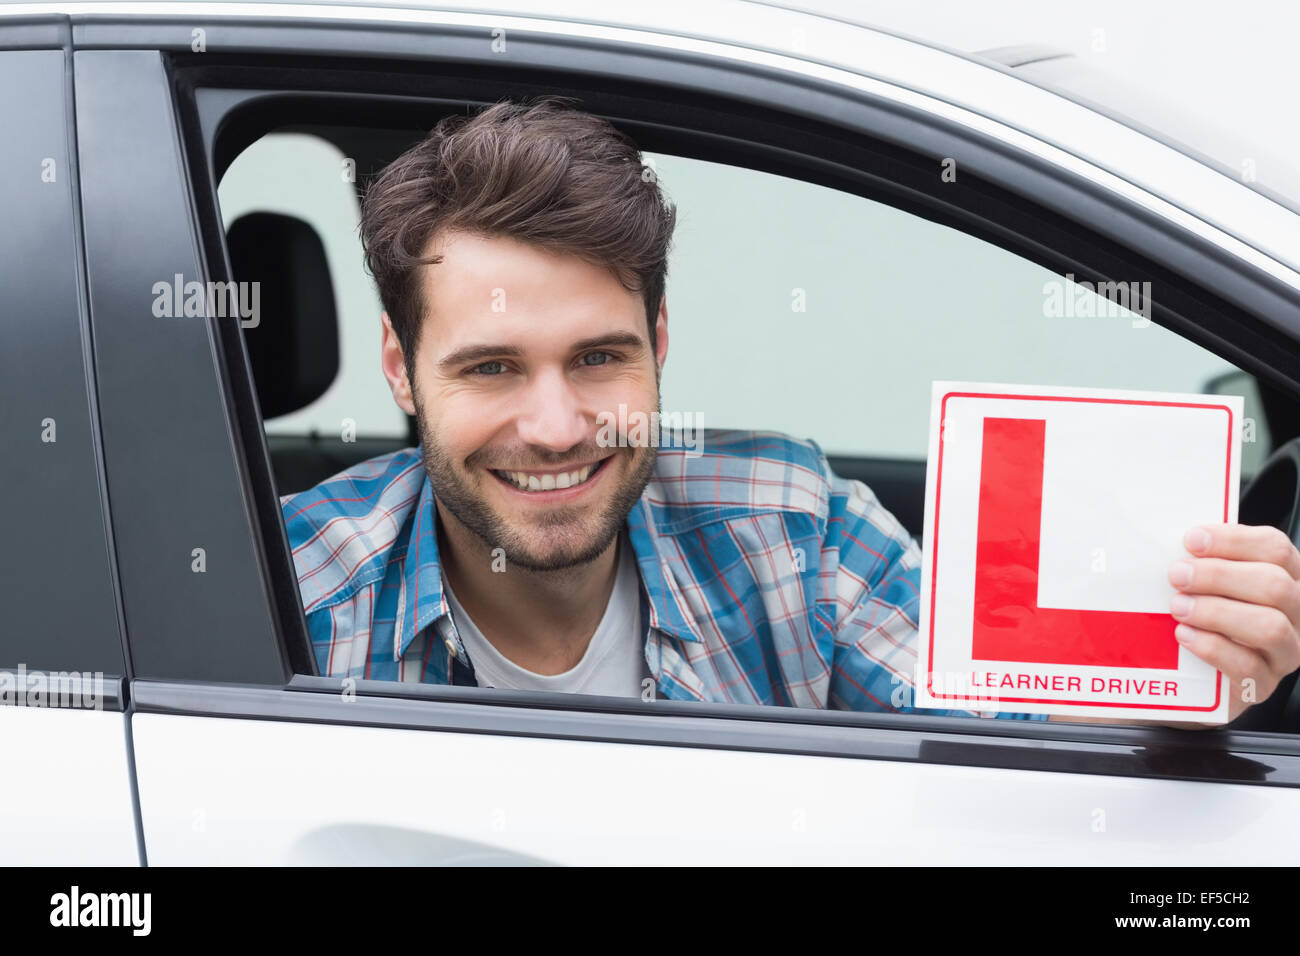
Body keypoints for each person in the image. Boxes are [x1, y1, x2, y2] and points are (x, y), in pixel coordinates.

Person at [282, 97, 1300, 725]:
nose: (555, 424)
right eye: (493, 367)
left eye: (598, 356)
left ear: (661, 343)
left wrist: (1213, 679)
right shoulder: (289, 603)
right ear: (401, 370)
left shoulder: (792, 523)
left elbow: (1012, 741)